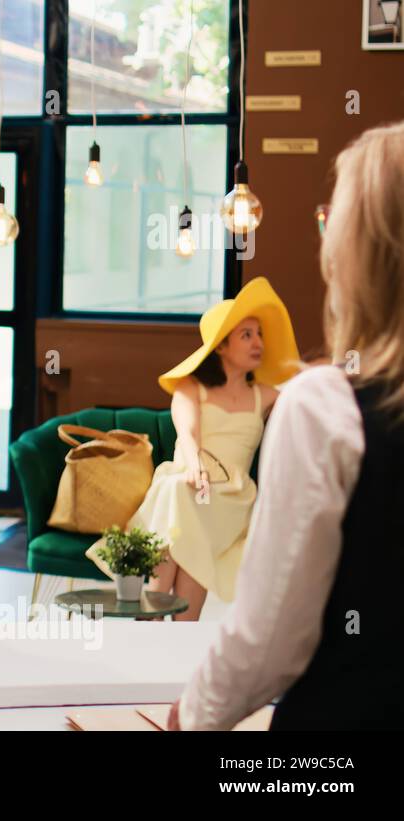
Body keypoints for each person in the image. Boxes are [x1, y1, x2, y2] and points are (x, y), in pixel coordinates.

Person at [170, 120, 404, 730]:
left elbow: (270, 639)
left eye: (332, 223)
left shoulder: (326, 410)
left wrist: (192, 718)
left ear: (362, 253)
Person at [84, 277, 300, 620]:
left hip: (231, 496)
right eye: (246, 335)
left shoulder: (265, 395)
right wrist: (196, 464)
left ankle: (151, 616)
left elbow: (309, 399)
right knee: (181, 496)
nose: (258, 342)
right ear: (221, 346)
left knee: (183, 509)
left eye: (259, 334)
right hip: (189, 483)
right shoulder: (191, 388)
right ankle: (180, 624)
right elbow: (187, 430)